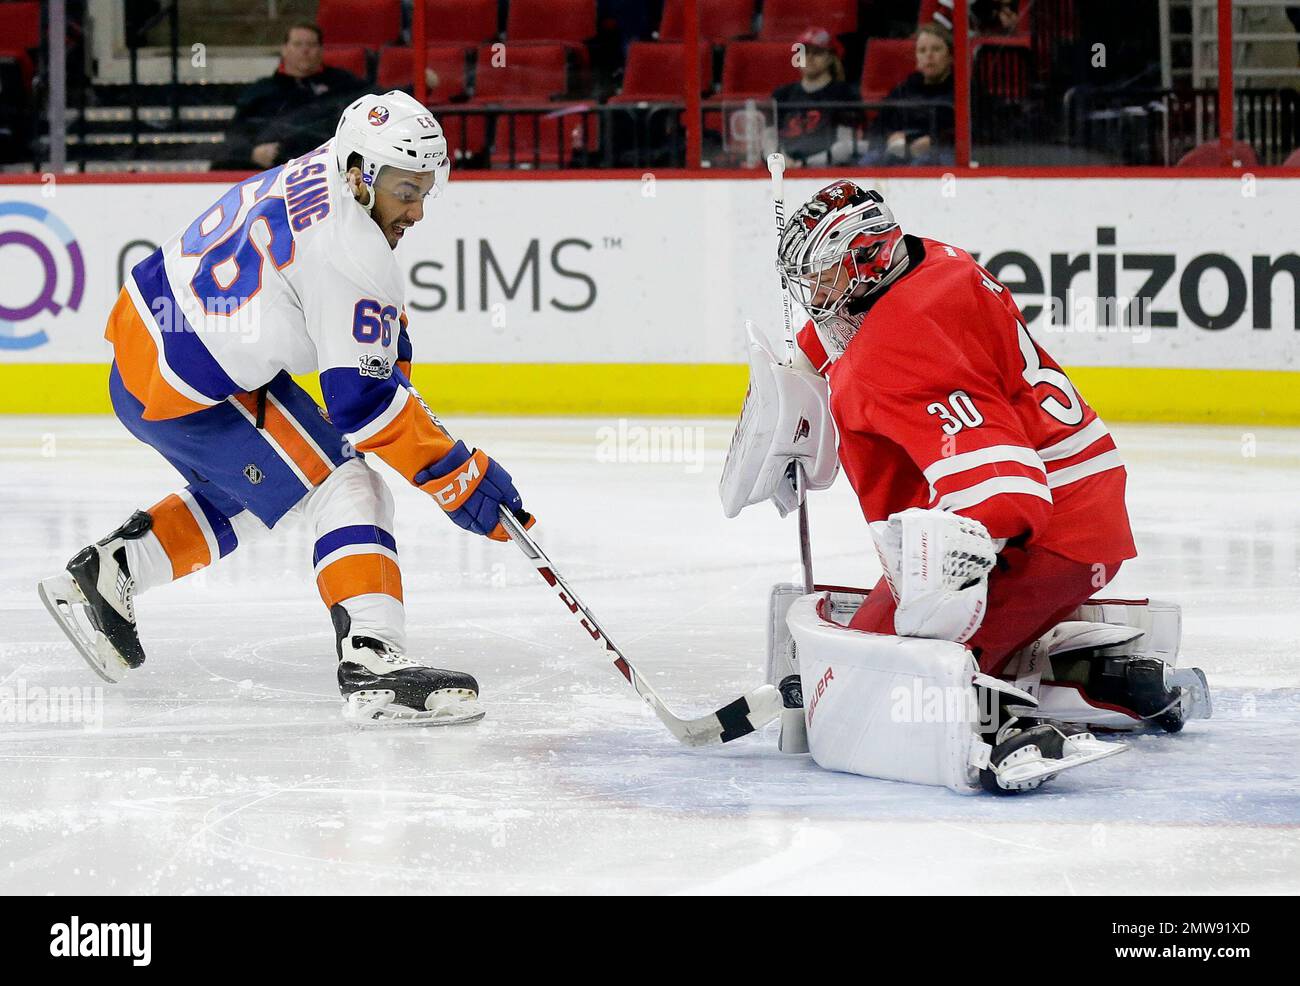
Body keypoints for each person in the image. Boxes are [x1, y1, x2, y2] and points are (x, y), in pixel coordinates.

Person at [38, 91, 534, 726]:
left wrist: (389, 354)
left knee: (280, 482)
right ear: (363, 176)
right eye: (407, 191)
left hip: (154, 340)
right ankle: (373, 665)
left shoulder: (330, 165)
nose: (416, 210)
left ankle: (112, 571)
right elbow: (364, 407)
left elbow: (361, 333)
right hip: (184, 387)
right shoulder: (353, 250)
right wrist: (457, 474)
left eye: (425, 190)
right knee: (345, 481)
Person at [721, 180, 1209, 792]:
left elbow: (1008, 494)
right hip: (1080, 507)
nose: (813, 295)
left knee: (863, 689)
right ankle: (1106, 676)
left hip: (1047, 537)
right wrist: (792, 395)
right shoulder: (929, 261)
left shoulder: (902, 344)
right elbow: (844, 332)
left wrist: (936, 585)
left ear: (867, 260)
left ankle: (1007, 725)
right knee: (878, 655)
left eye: (821, 277)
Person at [213, 22, 365, 172]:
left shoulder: (344, 84)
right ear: (284, 49)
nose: (305, 50)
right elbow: (235, 133)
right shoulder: (261, 90)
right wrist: (252, 153)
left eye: (311, 45)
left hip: (329, 166)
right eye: (298, 44)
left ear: (320, 50)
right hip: (272, 170)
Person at [862, 24, 954, 166]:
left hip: (944, 153)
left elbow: (979, 131)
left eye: (936, 49)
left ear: (950, 57)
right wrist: (890, 137)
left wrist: (936, 141)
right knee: (869, 161)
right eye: (922, 51)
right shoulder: (903, 90)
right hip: (901, 152)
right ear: (916, 59)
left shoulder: (964, 90)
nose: (929, 55)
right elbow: (878, 127)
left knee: (922, 163)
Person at [770, 27, 860, 167]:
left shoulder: (845, 95)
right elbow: (768, 139)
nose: (809, 58)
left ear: (830, 57)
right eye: (804, 52)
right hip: (783, 168)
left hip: (828, 170)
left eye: (817, 52)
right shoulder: (782, 95)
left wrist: (804, 164)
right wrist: (782, 162)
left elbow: (847, 145)